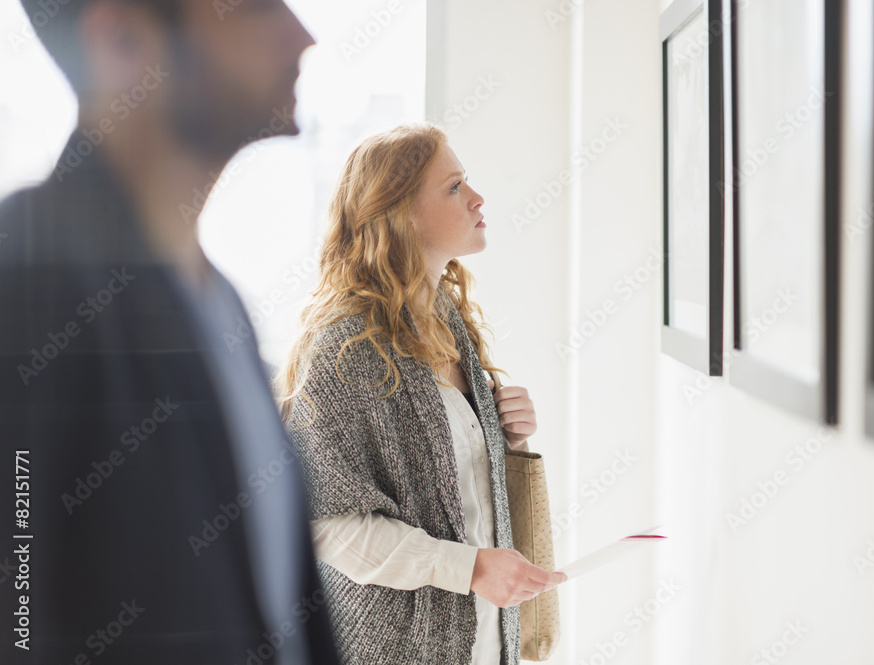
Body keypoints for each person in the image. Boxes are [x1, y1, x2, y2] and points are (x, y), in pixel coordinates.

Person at [0, 1, 339, 663]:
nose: (303, 36)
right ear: (121, 39)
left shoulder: (222, 307)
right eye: (256, 9)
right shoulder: (27, 279)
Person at [275, 124, 566, 665]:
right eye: (454, 187)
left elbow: (463, 492)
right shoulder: (346, 349)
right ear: (400, 213)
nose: (477, 198)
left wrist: (511, 439)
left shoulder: (449, 321)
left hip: (477, 643)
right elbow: (329, 524)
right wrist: (469, 568)